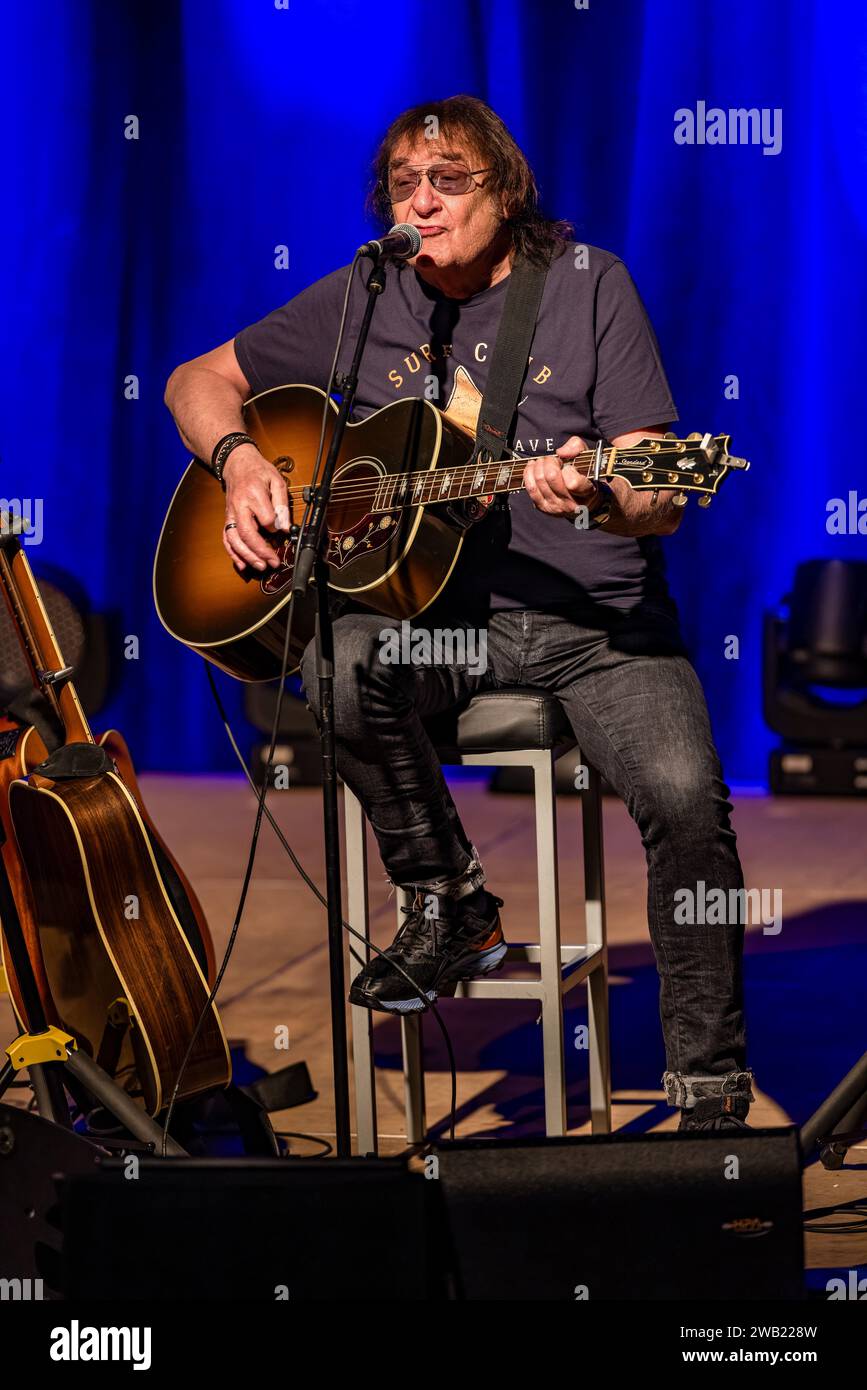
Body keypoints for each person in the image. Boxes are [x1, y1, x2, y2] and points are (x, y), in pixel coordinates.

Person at [164, 95, 754, 1132]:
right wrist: (243, 460)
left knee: (686, 798)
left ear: (505, 192)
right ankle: (451, 901)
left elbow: (659, 497)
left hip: (598, 629)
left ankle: (707, 1093)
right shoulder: (369, 293)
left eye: (449, 181)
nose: (423, 203)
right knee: (340, 668)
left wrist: (601, 490)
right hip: (448, 620)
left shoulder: (587, 286)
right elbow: (194, 380)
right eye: (404, 185)